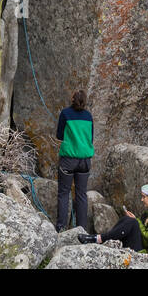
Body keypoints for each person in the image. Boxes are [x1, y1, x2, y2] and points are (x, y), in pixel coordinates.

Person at [82, 184, 148, 261]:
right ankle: (103, 239)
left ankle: (99, 239)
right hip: (142, 247)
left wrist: (137, 221)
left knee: (132, 222)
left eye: (144, 197)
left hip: (146, 254)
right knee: (127, 220)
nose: (142, 200)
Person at [55, 89, 94, 230]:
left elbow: (59, 135)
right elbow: (90, 138)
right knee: (81, 195)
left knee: (64, 193)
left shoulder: (65, 114)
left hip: (68, 159)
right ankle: (81, 229)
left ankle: (61, 227)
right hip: (85, 161)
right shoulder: (88, 116)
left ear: (72, 99)